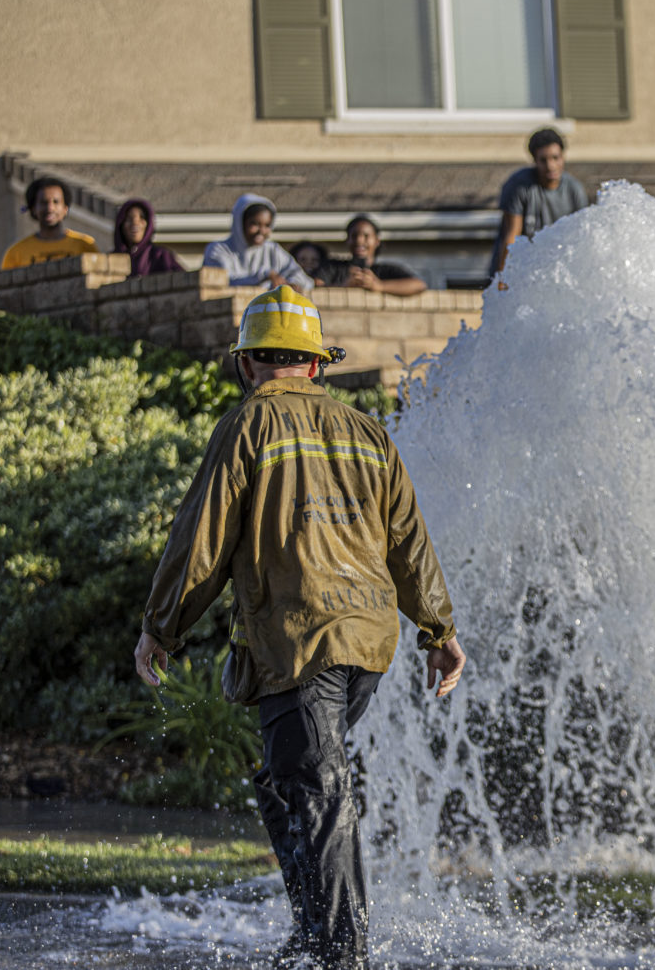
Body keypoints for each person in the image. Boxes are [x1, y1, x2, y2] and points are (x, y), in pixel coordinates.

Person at [133, 285, 466, 970]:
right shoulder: (369, 431)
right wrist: (439, 629)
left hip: (299, 635)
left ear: (249, 362)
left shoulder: (248, 424)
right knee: (290, 779)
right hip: (368, 640)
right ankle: (316, 935)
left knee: (316, 785)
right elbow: (409, 539)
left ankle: (342, 954)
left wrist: (160, 628)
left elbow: (201, 538)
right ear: (316, 364)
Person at [491, 127, 589, 275]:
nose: (550, 166)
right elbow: (511, 236)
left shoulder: (575, 190)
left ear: (563, 157)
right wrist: (502, 280)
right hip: (520, 269)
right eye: (543, 160)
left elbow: (582, 238)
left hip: (556, 270)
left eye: (555, 158)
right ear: (534, 161)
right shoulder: (519, 186)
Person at [204, 193, 315, 293]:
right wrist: (265, 275)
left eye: (267, 225)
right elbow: (223, 284)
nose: (261, 231)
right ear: (240, 223)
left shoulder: (272, 250)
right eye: (254, 224)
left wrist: (293, 284)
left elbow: (301, 277)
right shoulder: (218, 250)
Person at [1, 176, 99, 269]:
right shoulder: (16, 253)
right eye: (44, 202)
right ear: (33, 208)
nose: (50, 208)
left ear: (65, 208)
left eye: (56, 202)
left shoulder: (84, 245)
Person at [317, 214, 427, 296]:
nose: (359, 241)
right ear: (347, 240)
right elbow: (316, 288)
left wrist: (379, 286)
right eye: (354, 236)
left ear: (377, 241)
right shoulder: (332, 267)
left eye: (366, 236)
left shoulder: (386, 270)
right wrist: (344, 286)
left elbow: (419, 285)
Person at [113, 197, 185, 277]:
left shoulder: (160, 256)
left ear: (149, 225)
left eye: (142, 218)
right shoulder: (111, 260)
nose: (135, 223)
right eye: (129, 218)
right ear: (121, 224)